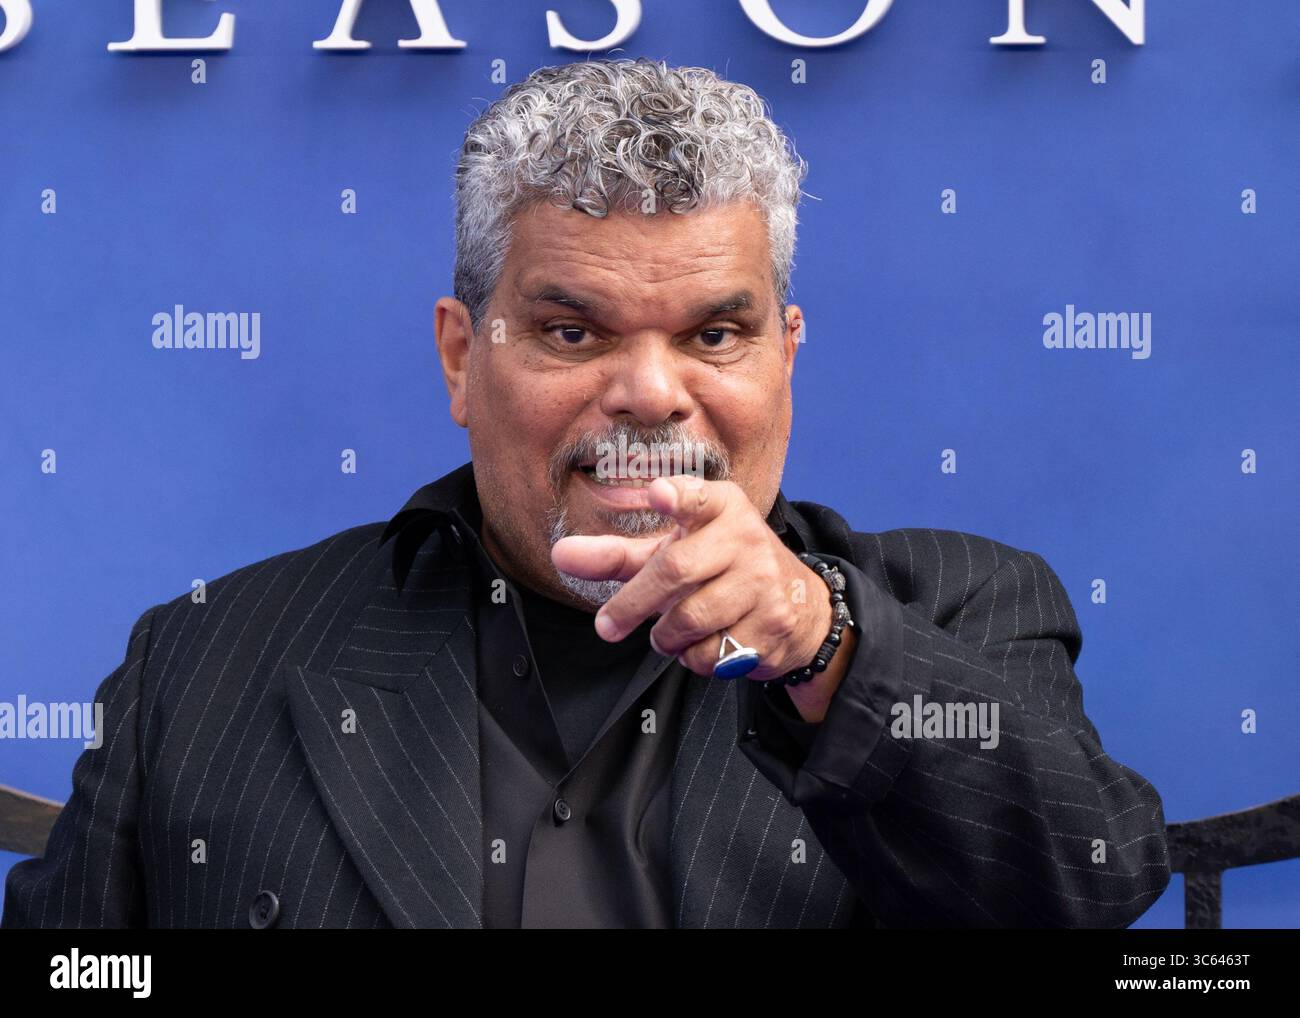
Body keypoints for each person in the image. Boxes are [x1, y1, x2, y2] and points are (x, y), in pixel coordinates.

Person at [2, 57, 1169, 929]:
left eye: (716, 331)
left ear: (786, 355)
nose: (650, 393)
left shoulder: (967, 608)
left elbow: (1087, 880)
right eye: (572, 330)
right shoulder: (204, 662)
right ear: (463, 357)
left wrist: (824, 647)